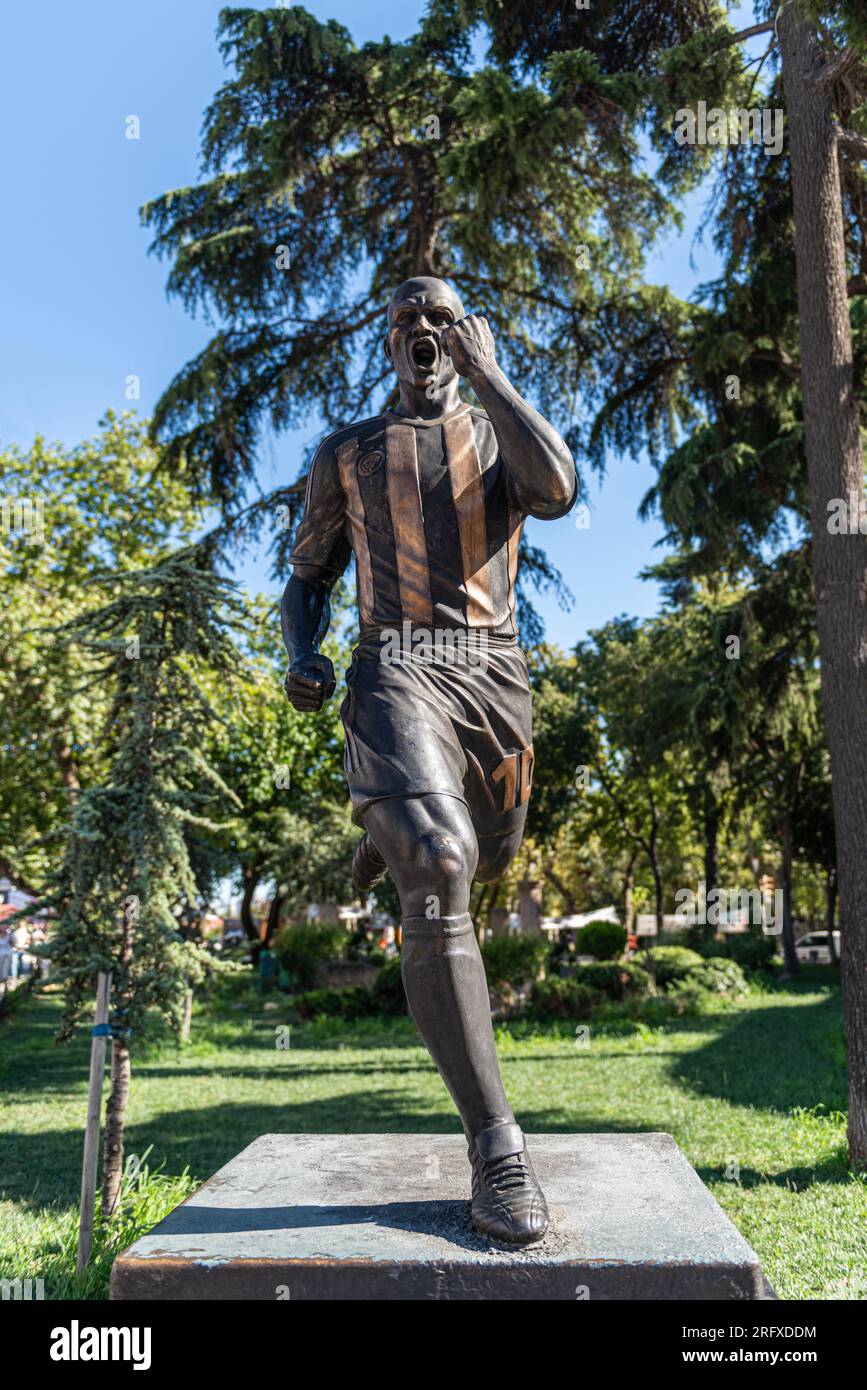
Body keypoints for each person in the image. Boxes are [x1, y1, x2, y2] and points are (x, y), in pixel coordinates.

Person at [281, 277, 576, 1244]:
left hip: (493, 680)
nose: (423, 329)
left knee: (482, 855)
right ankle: (498, 1150)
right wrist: (301, 652)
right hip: (393, 667)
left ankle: (390, 830)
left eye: (441, 317)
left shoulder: (498, 433)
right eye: (405, 318)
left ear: (464, 337)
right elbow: (306, 578)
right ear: (386, 345)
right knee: (441, 867)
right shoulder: (348, 453)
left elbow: (559, 489)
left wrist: (490, 372)